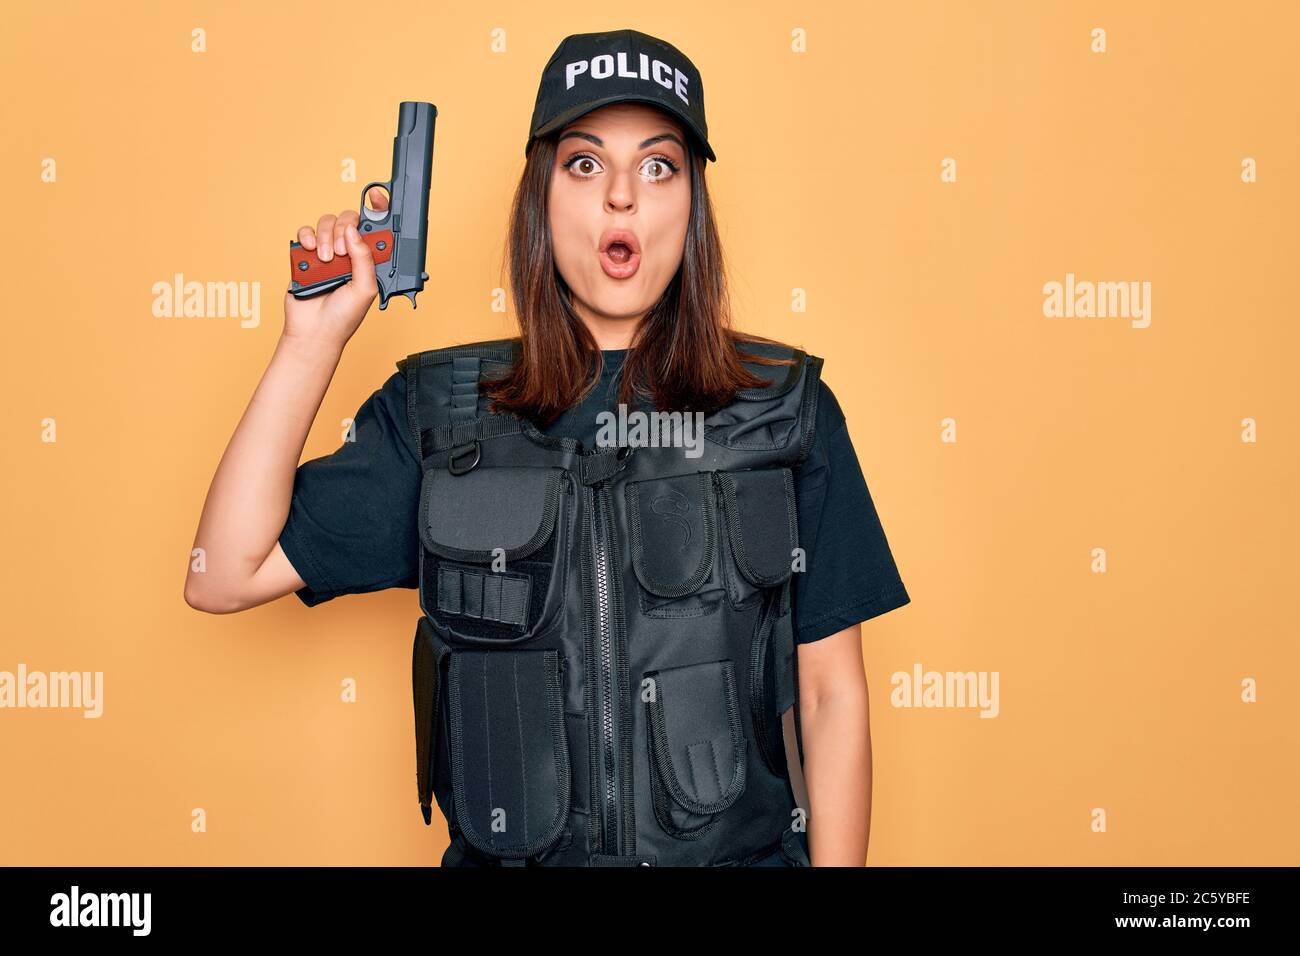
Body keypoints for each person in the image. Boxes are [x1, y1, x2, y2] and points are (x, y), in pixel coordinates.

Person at [184, 29, 910, 867]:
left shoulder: (784, 409)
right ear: (543, 197)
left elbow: (829, 696)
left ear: (692, 205)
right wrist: (311, 342)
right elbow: (222, 574)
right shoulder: (443, 414)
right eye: (586, 163)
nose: (623, 199)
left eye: (660, 165)